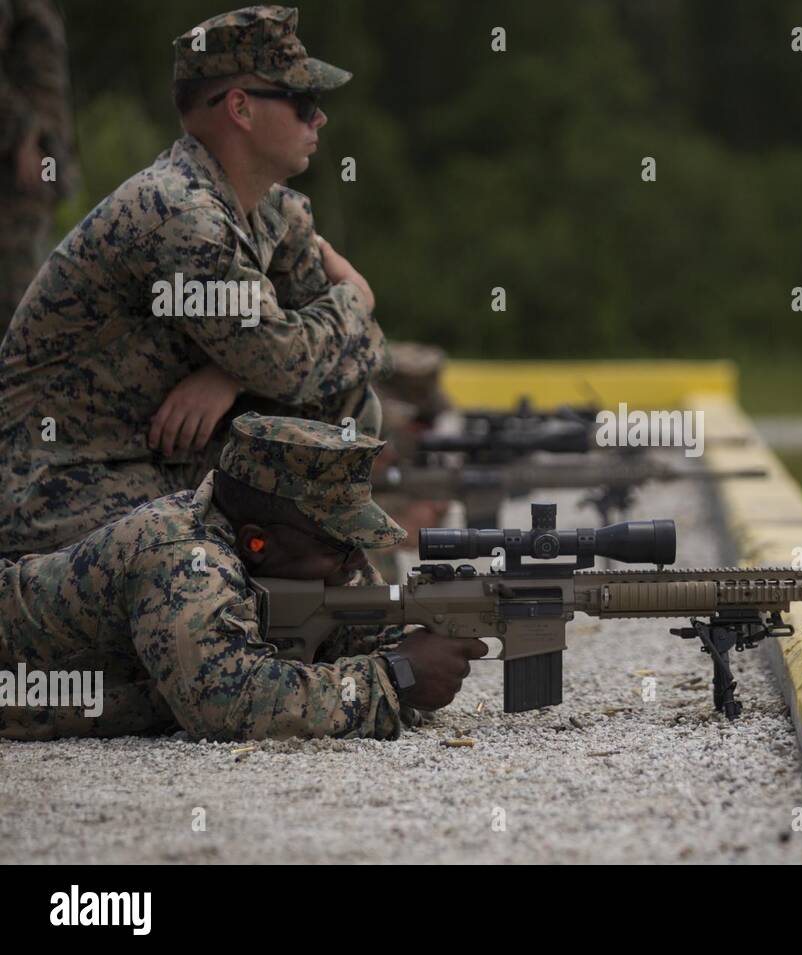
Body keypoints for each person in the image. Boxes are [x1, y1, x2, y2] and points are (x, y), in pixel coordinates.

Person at [0, 5, 387, 560]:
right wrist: (358, 297)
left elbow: (337, 360)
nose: (319, 120)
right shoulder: (179, 214)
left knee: (344, 404)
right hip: (56, 482)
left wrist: (229, 373)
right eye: (304, 103)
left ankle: (318, 600)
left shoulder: (275, 212)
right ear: (241, 109)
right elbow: (288, 359)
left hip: (153, 457)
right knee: (198, 544)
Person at [0, 413, 488, 741]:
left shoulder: (301, 555)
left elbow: (363, 628)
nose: (351, 561)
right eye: (339, 545)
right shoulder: (181, 556)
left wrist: (423, 626)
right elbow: (228, 703)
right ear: (257, 540)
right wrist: (393, 680)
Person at [0, 0, 76, 337]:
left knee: (38, 231)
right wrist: (22, 131)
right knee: (15, 287)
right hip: (19, 156)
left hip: (46, 154)